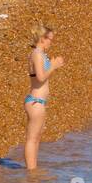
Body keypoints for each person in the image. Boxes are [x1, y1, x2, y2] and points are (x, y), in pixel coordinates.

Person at [24, 25, 64, 171]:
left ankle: (33, 169)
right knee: (32, 139)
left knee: (36, 138)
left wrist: (53, 65)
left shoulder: (40, 54)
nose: (51, 43)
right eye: (50, 40)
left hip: (38, 102)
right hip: (36, 102)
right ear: (42, 39)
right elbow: (40, 77)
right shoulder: (37, 54)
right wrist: (53, 66)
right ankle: (31, 172)